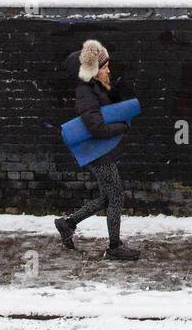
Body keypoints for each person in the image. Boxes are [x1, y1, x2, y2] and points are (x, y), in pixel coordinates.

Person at [55, 39, 140, 261]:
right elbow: (97, 127)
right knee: (116, 196)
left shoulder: (94, 87)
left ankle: (68, 223)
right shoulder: (85, 93)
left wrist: (117, 89)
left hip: (102, 153)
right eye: (104, 66)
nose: (108, 69)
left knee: (108, 197)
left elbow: (109, 107)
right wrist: (122, 126)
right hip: (99, 154)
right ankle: (114, 246)